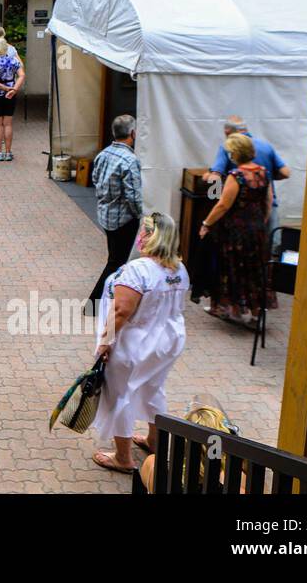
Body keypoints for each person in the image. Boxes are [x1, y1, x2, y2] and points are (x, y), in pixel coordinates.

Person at [91, 212, 190, 474]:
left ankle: (123, 458)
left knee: (120, 394)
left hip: (136, 342)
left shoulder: (138, 270)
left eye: (142, 232)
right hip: (167, 341)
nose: (139, 237)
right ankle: (154, 441)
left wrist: (105, 342)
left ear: (149, 236)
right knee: (153, 387)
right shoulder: (179, 269)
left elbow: (121, 311)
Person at [199, 133, 274, 326]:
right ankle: (257, 315)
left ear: (236, 153)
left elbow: (223, 205)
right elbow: (268, 201)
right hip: (257, 230)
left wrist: (206, 224)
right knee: (254, 271)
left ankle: (232, 310)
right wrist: (260, 222)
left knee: (233, 270)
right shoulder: (263, 172)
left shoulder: (237, 176)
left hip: (236, 232)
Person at [203, 115, 290, 247]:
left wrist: (213, 195)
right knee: (272, 250)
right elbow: (285, 173)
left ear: (227, 132)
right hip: (266, 210)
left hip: (240, 217)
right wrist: (265, 178)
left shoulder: (227, 149)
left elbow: (215, 176)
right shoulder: (266, 148)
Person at [88, 115, 143, 310]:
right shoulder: (130, 160)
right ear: (133, 133)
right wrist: (140, 215)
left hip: (105, 214)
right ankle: (94, 304)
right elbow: (134, 195)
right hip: (123, 219)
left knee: (115, 258)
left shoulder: (103, 154)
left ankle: (112, 297)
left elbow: (95, 178)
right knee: (116, 261)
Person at [0, 36, 24, 161]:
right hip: (11, 95)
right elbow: (22, 75)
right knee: (8, 124)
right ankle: (8, 152)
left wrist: (5, 89)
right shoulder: (13, 61)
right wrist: (13, 89)